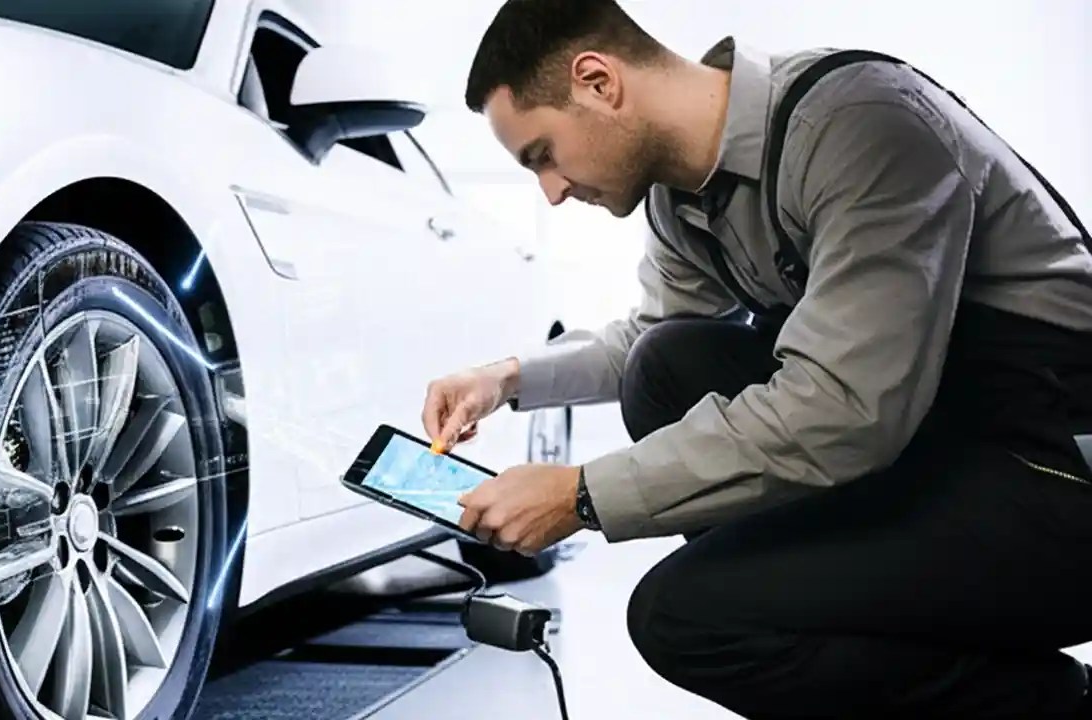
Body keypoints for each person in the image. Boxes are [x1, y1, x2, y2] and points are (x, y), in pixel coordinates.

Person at [419, 0, 1092, 717]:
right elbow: (644, 338)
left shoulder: (862, 123)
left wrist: (580, 496)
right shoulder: (683, 200)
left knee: (684, 617)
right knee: (665, 365)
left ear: (598, 82)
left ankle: (1048, 705)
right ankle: (868, 635)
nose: (551, 192)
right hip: (948, 449)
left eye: (543, 155)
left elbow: (843, 407)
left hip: (1056, 476)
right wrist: (504, 380)